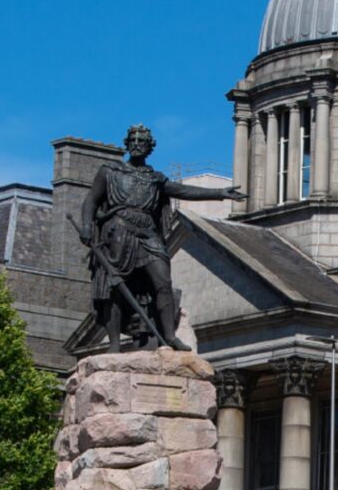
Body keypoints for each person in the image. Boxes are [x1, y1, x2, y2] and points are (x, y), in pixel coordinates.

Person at [77, 124, 243, 352]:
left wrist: (219, 194)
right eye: (133, 141)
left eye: (141, 142)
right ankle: (114, 344)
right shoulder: (109, 171)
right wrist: (87, 226)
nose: (136, 145)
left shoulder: (155, 179)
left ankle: (169, 336)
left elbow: (183, 191)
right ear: (127, 144)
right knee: (114, 287)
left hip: (147, 234)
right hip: (118, 231)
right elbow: (91, 201)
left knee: (163, 284)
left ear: (149, 148)